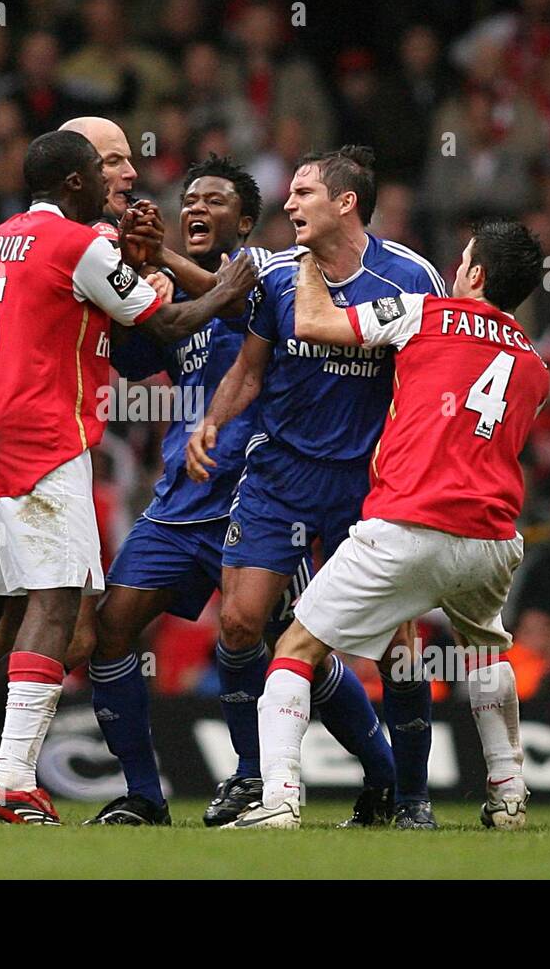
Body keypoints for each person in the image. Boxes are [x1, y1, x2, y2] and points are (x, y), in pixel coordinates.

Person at [0, 128, 256, 825]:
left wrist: (140, 259)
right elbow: (168, 321)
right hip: (40, 437)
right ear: (77, 183)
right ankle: (13, 780)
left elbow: (86, 319)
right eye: (104, 168)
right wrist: (224, 288)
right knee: (56, 605)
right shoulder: (78, 244)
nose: (120, 180)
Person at [85, 156, 396, 826]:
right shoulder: (174, 292)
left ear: (247, 221)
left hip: (259, 494)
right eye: (188, 199)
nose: (197, 208)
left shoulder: (272, 269)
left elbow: (232, 291)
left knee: (287, 641)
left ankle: (367, 772)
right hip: (181, 498)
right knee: (109, 628)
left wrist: (158, 251)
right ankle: (144, 794)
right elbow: (136, 353)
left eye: (215, 201)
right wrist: (136, 271)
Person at [224, 219, 549, 831]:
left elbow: (315, 324)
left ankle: (281, 800)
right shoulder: (535, 366)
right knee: (485, 654)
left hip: (409, 523)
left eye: (463, 260)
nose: (454, 269)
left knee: (295, 650)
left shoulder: (425, 313)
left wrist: (311, 254)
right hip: (492, 540)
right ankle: (508, 796)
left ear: (475, 275)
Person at [185, 145, 446, 828]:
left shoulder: (411, 277)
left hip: (370, 483)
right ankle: (251, 779)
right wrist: (210, 422)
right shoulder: (274, 277)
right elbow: (248, 369)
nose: (289, 204)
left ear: (345, 202)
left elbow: (434, 376)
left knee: (396, 639)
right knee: (241, 622)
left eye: (302, 192)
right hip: (280, 476)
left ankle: (411, 798)